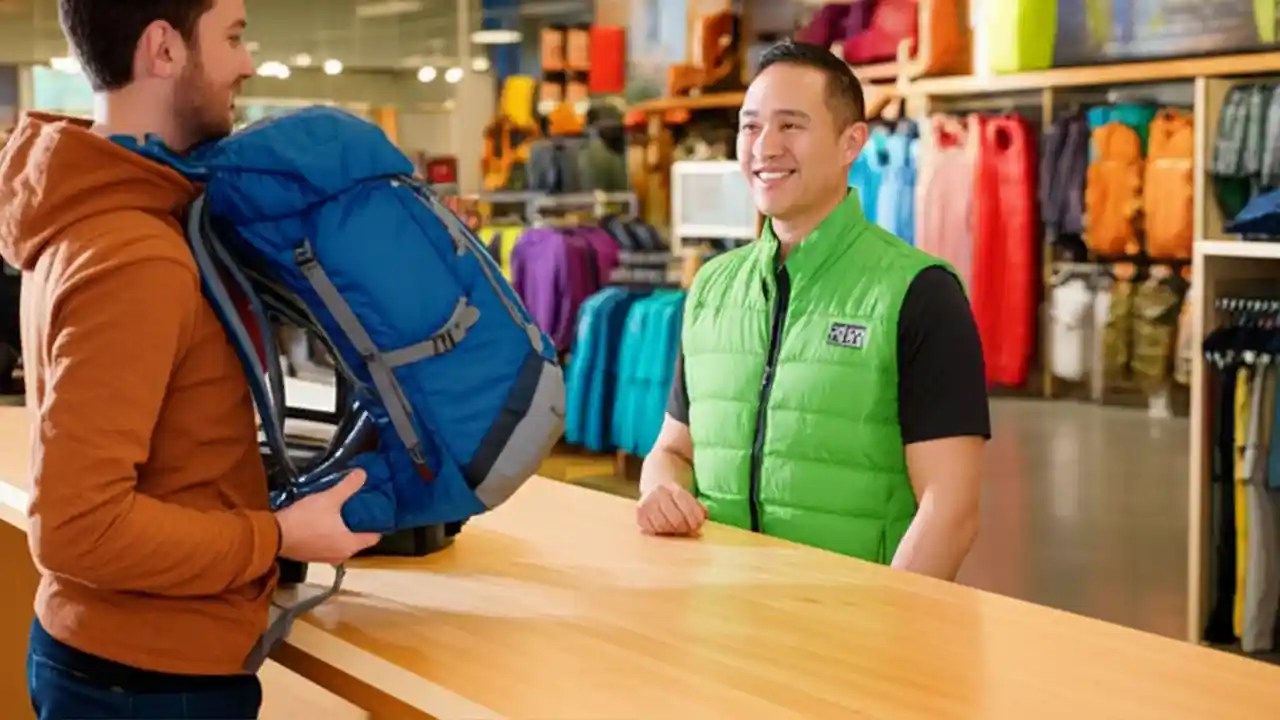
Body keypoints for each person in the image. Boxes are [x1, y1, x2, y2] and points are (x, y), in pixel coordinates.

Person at [0, 2, 380, 718]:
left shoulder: (93, 212)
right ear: (164, 49)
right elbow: (78, 527)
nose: (248, 63)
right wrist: (277, 536)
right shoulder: (134, 254)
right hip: (146, 679)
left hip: (118, 660)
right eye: (232, 37)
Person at [636, 41, 989, 581]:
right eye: (751, 126)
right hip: (715, 613)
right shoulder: (712, 289)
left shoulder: (920, 293)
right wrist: (660, 489)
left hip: (852, 619)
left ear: (851, 142)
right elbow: (673, 450)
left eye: (791, 125)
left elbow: (952, 512)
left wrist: (889, 621)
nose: (765, 147)